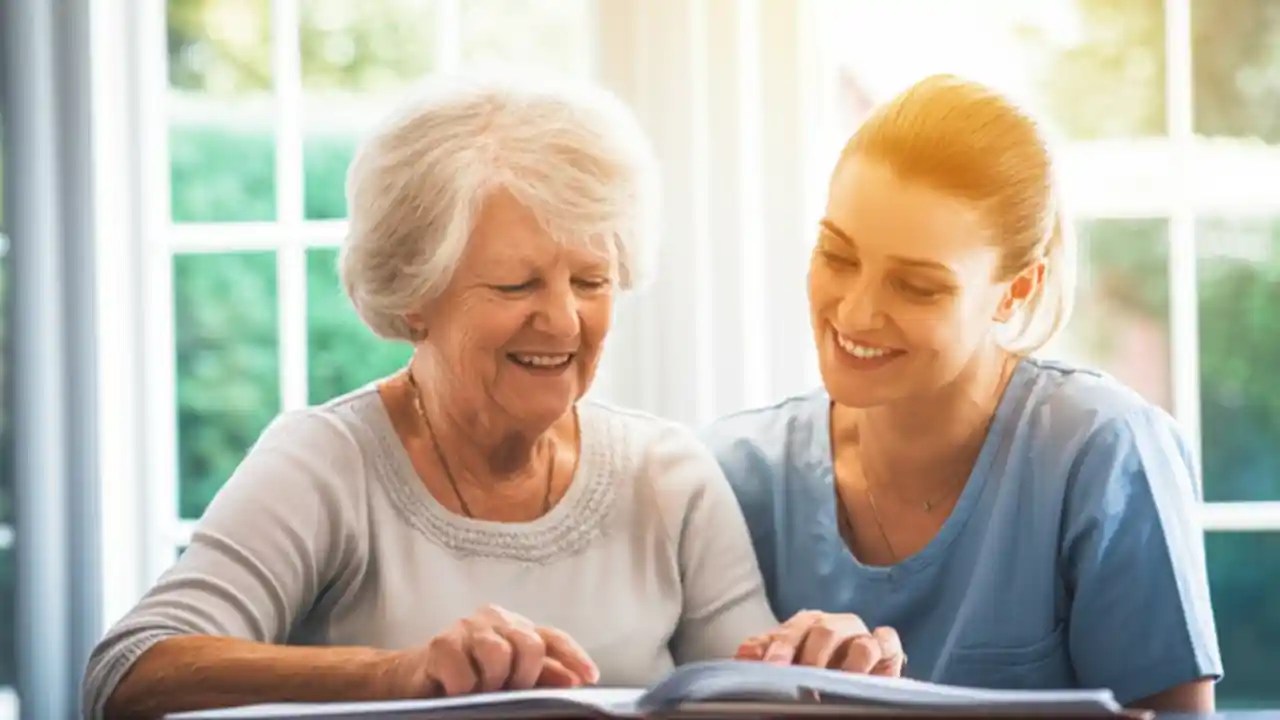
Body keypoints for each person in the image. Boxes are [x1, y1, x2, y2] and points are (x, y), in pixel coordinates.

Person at [82, 74, 902, 720]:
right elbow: (128, 673)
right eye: (515, 283)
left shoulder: (667, 473)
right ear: (414, 297)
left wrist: (816, 672)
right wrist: (403, 675)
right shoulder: (328, 462)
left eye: (591, 279)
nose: (563, 319)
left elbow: (742, 697)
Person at [707, 75, 1223, 712]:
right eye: (838, 256)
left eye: (917, 287)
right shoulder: (734, 473)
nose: (858, 312)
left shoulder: (1101, 454)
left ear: (1015, 290)